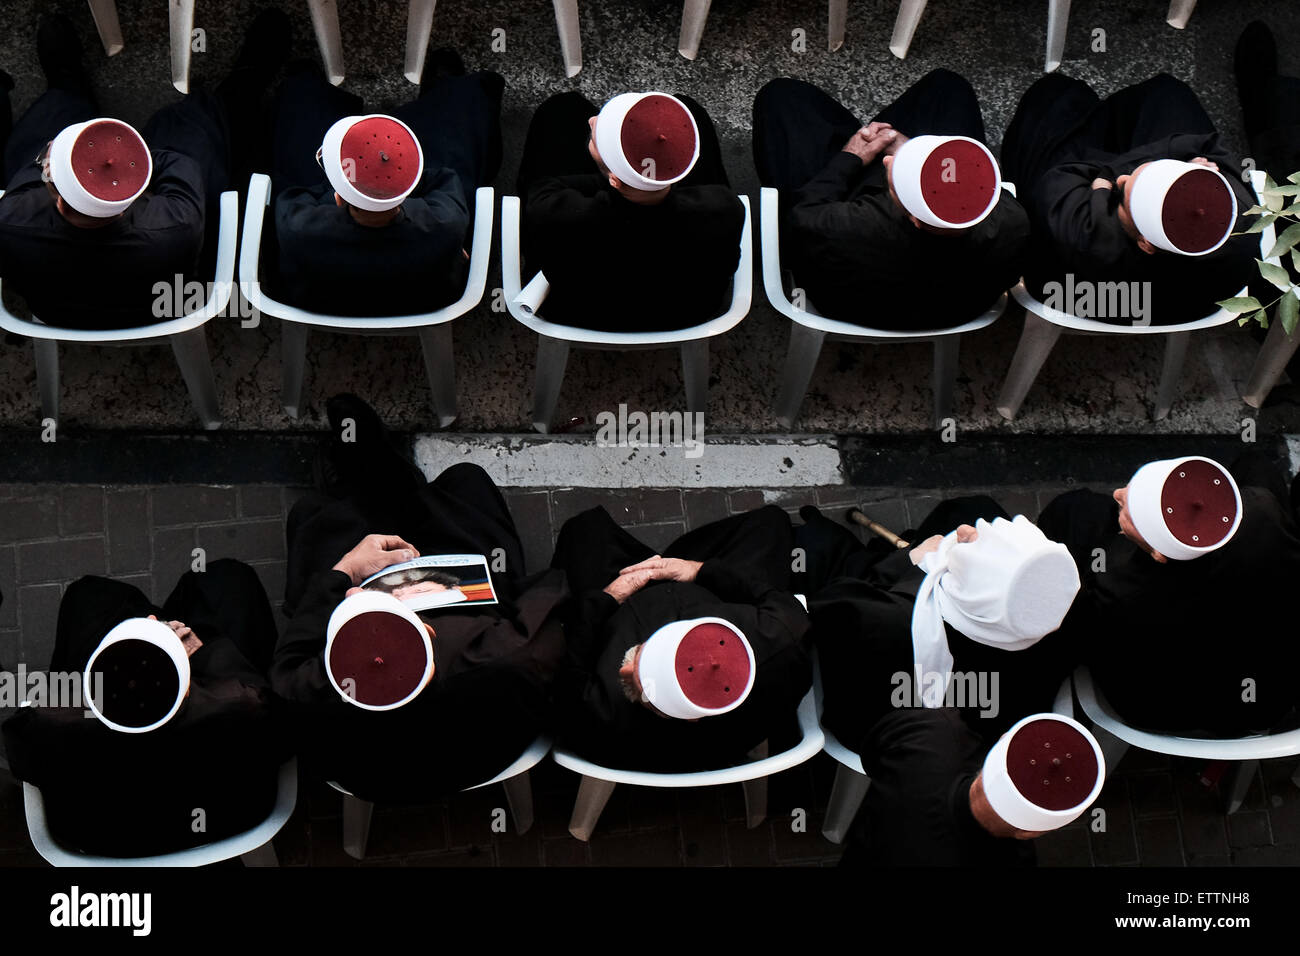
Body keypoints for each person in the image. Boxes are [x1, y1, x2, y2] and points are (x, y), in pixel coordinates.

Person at [271, 395, 567, 801]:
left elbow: (289, 661)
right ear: (427, 632)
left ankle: (364, 477)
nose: (356, 592)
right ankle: (391, 479)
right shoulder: (506, 657)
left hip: (373, 776)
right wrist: (493, 604)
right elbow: (548, 593)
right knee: (464, 481)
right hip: (487, 752)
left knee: (318, 517)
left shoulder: (312, 695)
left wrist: (344, 570)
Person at [0, 11, 289, 330]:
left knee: (44, 129)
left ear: (53, 192)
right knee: (193, 128)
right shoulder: (175, 224)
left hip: (61, 313)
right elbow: (183, 165)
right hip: (165, 304)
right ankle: (242, 87)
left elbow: (28, 172)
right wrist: (128, 157)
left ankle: (67, 85)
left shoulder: (10, 220)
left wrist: (60, 155)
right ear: (131, 201)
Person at [0, 561, 289, 857]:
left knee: (90, 595)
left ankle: (145, 619)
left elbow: (22, 751)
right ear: (188, 683)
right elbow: (279, 720)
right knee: (227, 578)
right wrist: (201, 650)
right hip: (232, 819)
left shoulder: (50, 726)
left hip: (103, 836)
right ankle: (175, 615)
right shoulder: (241, 705)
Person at [1038, 451, 1300, 737]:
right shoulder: (1265, 514)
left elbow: (1074, 637)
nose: (1119, 494)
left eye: (1131, 508)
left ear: (1157, 552)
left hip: (1158, 712)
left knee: (1074, 509)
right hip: (1265, 705)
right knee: (1255, 463)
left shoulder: (1112, 583)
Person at [752, 70, 1030, 327]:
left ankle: (853, 137)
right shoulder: (1013, 224)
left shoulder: (842, 225)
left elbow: (802, 212)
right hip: (955, 310)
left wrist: (851, 156)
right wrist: (912, 149)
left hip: (847, 305)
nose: (888, 163)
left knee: (782, 96)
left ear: (907, 211)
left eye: (895, 176)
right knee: (948, 86)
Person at [797, 497, 1080, 748]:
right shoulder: (1063, 617)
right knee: (974, 508)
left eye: (979, 544)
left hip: (878, 728)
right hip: (992, 725)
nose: (966, 531)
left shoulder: (882, 618)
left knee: (819, 546)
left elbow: (822, 606)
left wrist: (908, 561)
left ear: (982, 589)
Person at [549, 504, 811, 771]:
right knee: (771, 521)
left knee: (583, 529)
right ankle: (679, 557)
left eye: (641, 690)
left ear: (689, 719)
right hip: (704, 587)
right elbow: (787, 607)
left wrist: (606, 598)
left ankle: (655, 558)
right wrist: (698, 570)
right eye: (645, 651)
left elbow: (572, 658)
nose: (626, 668)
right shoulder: (777, 640)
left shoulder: (598, 724)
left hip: (621, 600)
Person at [1000, 72, 1260, 326]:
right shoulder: (1243, 222)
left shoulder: (1074, 227)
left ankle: (1093, 118)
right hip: (1184, 306)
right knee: (1168, 93)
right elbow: (1209, 145)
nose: (1123, 180)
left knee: (1056, 95)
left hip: (1074, 296)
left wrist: (1106, 179)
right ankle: (1109, 130)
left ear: (1146, 243)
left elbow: (1062, 175)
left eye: (1124, 192)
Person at [267, 48, 502, 316]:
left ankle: (305, 85)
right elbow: (441, 179)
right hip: (424, 299)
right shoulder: (445, 223)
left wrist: (342, 179)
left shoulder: (299, 226)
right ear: (409, 186)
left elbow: (297, 195)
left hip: (321, 299)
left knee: (301, 120)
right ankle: (444, 91)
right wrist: (395, 171)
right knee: (457, 123)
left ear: (339, 196)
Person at [516, 88, 744, 333]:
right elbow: (728, 265)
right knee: (689, 107)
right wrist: (643, 183)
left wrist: (623, 181)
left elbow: (546, 188)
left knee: (563, 106)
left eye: (596, 139)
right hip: (687, 315)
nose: (593, 121)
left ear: (613, 180)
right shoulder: (724, 208)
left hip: (571, 313)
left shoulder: (553, 211)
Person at [840, 710, 1105, 867]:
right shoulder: (1014, 862)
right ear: (1028, 832)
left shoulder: (932, 731)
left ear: (1001, 742)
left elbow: (871, 752)